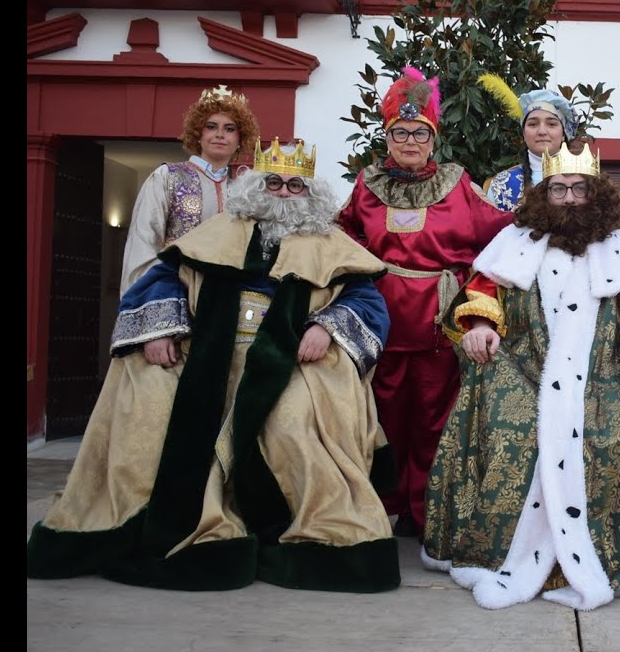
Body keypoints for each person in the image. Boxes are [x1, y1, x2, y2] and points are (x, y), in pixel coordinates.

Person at [27, 138, 400, 594]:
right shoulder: (220, 230)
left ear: (311, 194)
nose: (283, 193)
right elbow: (163, 278)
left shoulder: (331, 243)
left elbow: (366, 300)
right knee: (149, 396)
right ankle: (143, 514)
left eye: (295, 186)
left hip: (290, 358)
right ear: (257, 186)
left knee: (293, 417)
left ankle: (305, 526)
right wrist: (159, 331)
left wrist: (326, 327)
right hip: (208, 350)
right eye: (274, 183)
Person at [421, 145, 620, 611]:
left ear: (597, 195)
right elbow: (482, 293)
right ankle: (508, 551)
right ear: (544, 196)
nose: (570, 198)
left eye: (579, 189)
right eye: (559, 190)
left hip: (613, 376)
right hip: (526, 371)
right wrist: (479, 325)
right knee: (514, 428)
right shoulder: (513, 245)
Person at [338, 67, 514, 538]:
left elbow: (498, 229)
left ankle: (427, 512)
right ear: (387, 136)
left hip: (441, 322)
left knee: (436, 419)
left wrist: (548, 214)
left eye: (420, 132)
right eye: (401, 132)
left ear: (433, 138)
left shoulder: (457, 182)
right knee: (384, 417)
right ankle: (387, 507)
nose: (410, 141)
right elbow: (341, 235)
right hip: (383, 321)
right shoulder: (367, 184)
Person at [120, 83, 261, 293]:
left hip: (226, 299)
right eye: (211, 126)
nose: (220, 134)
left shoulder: (244, 192)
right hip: (173, 293)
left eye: (230, 129)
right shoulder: (167, 177)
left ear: (240, 139)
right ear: (198, 134)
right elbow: (143, 243)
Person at [477, 74, 576, 211]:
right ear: (524, 134)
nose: (542, 131)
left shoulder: (584, 180)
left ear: (564, 134)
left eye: (551, 124)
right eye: (533, 124)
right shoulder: (502, 184)